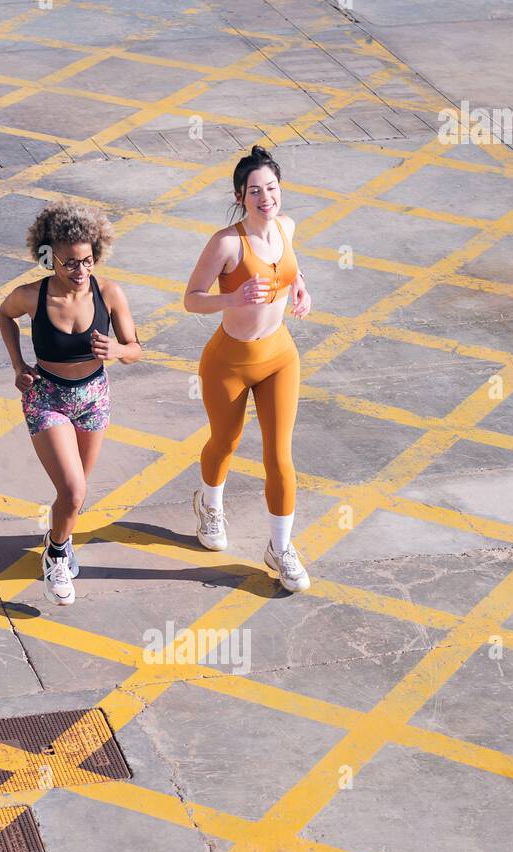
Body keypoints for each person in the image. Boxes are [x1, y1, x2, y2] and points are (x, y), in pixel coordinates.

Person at [0, 199, 142, 604]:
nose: (81, 271)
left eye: (88, 260)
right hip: (47, 398)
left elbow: (136, 349)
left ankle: (57, 535)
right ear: (50, 258)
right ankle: (57, 555)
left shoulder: (109, 293)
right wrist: (18, 365)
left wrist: (117, 350)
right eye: (70, 263)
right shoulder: (31, 297)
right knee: (74, 491)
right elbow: (4, 316)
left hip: (94, 399)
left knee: (74, 494)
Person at [183, 144, 312, 591]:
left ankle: (279, 547)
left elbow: (290, 268)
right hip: (229, 363)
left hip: (279, 358)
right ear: (240, 196)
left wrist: (300, 289)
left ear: (280, 189)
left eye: (271, 188)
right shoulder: (226, 243)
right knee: (226, 441)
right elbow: (191, 298)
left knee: (280, 455)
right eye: (254, 190)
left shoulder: (287, 227)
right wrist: (232, 298)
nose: (265, 198)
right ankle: (210, 505)